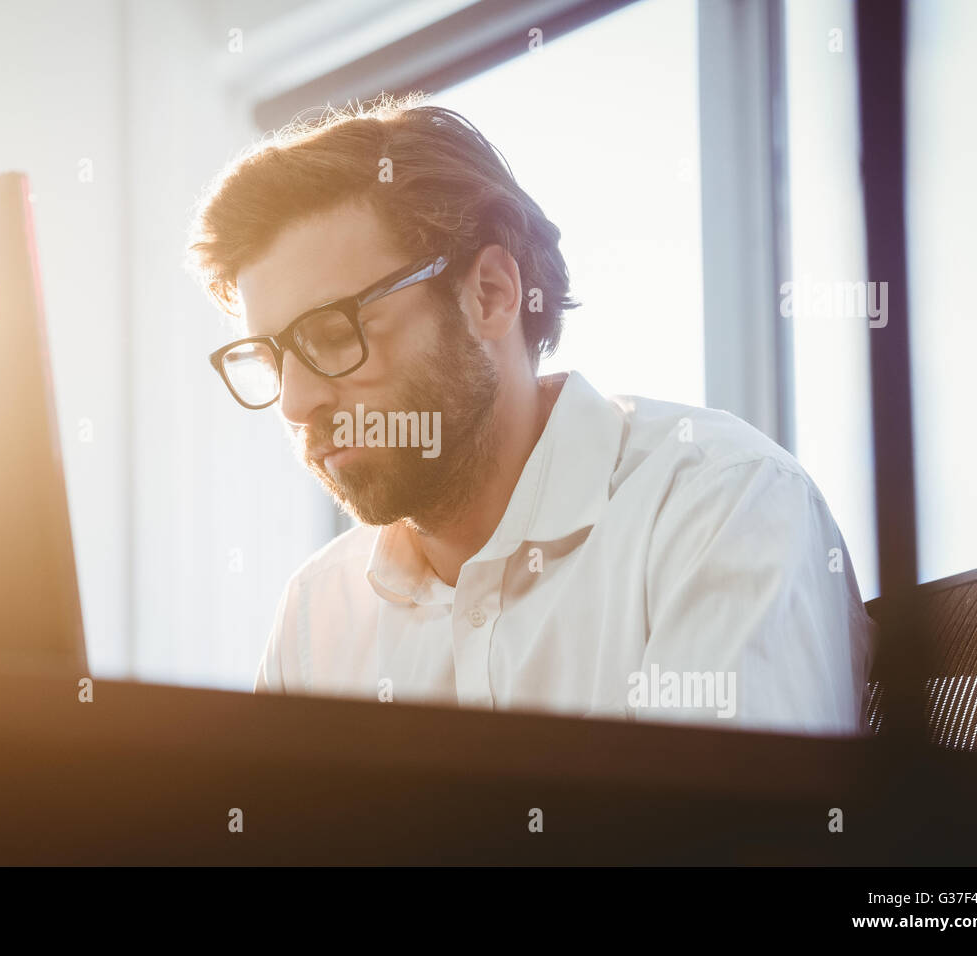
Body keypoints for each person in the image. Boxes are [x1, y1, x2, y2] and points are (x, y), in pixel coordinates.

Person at [185, 93, 872, 735]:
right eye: (273, 362)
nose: (298, 403)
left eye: (333, 334)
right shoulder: (316, 615)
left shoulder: (722, 510)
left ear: (489, 294)